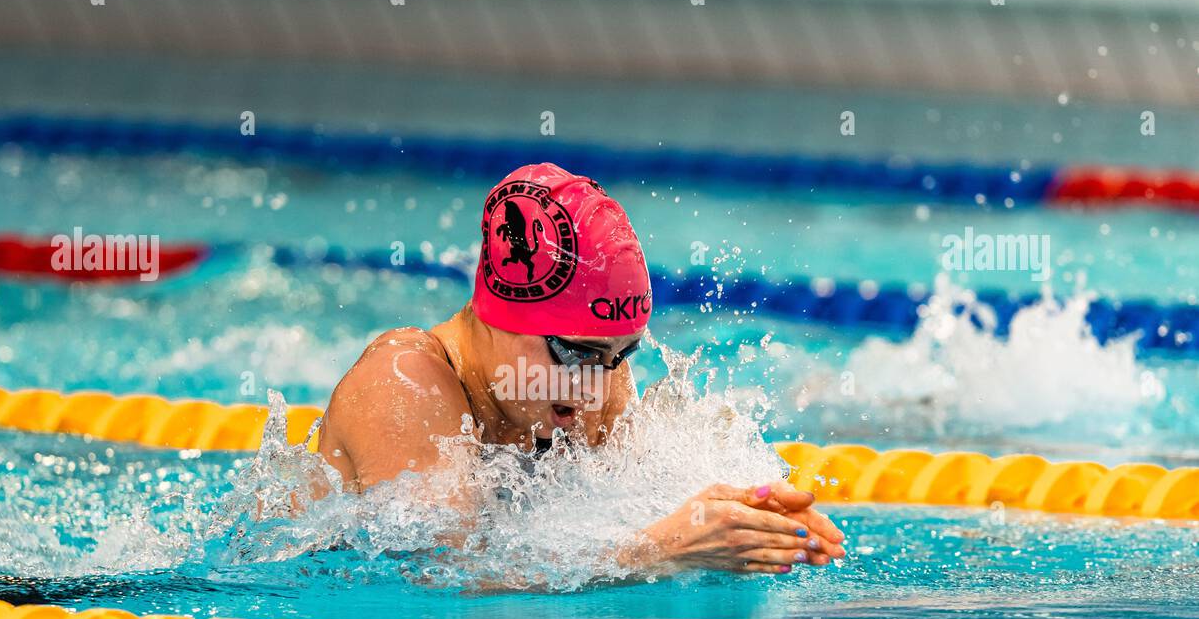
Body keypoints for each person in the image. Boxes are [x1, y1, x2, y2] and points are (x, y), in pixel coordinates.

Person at [316, 163, 845, 575]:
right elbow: (438, 579)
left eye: (619, 356)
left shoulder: (591, 384)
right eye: (575, 354)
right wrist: (660, 552)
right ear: (499, 317)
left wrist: (743, 527)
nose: (593, 390)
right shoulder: (403, 385)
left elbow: (635, 519)